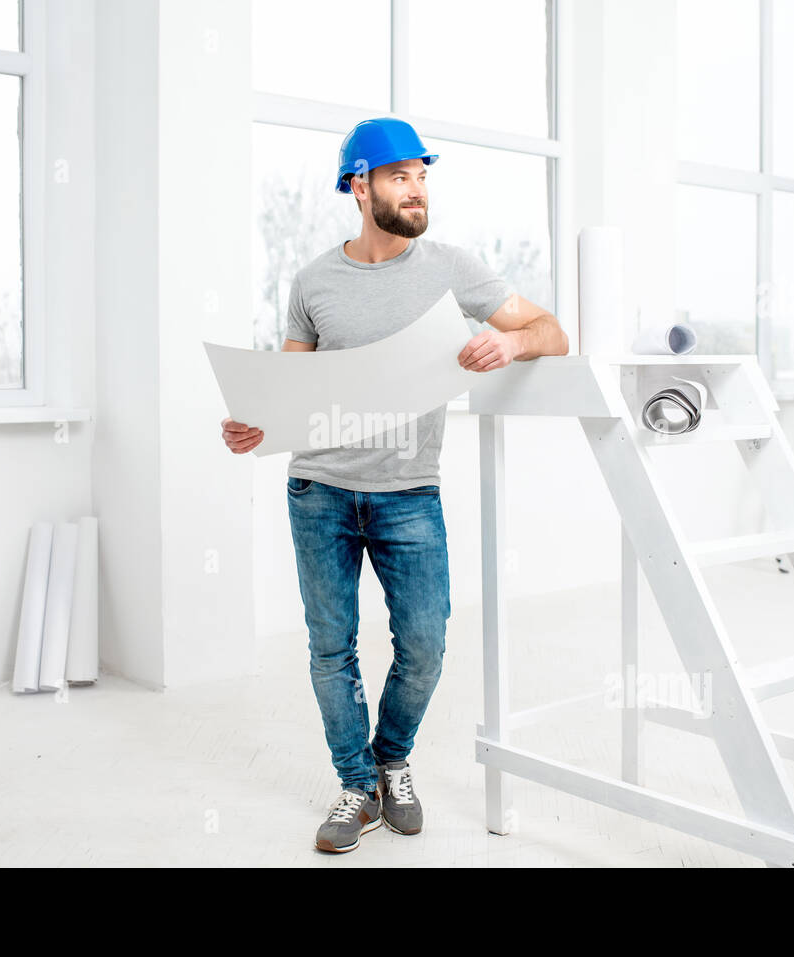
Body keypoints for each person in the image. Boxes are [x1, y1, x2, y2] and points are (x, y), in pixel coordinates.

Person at [221, 117, 568, 853]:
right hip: (319, 489)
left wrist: (509, 339)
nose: (416, 189)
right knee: (329, 646)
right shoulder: (314, 282)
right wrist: (253, 426)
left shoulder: (450, 268)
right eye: (399, 175)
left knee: (425, 641)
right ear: (359, 186)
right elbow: (289, 387)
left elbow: (553, 331)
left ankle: (390, 757)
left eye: (421, 175)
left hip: (409, 490)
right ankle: (355, 784)